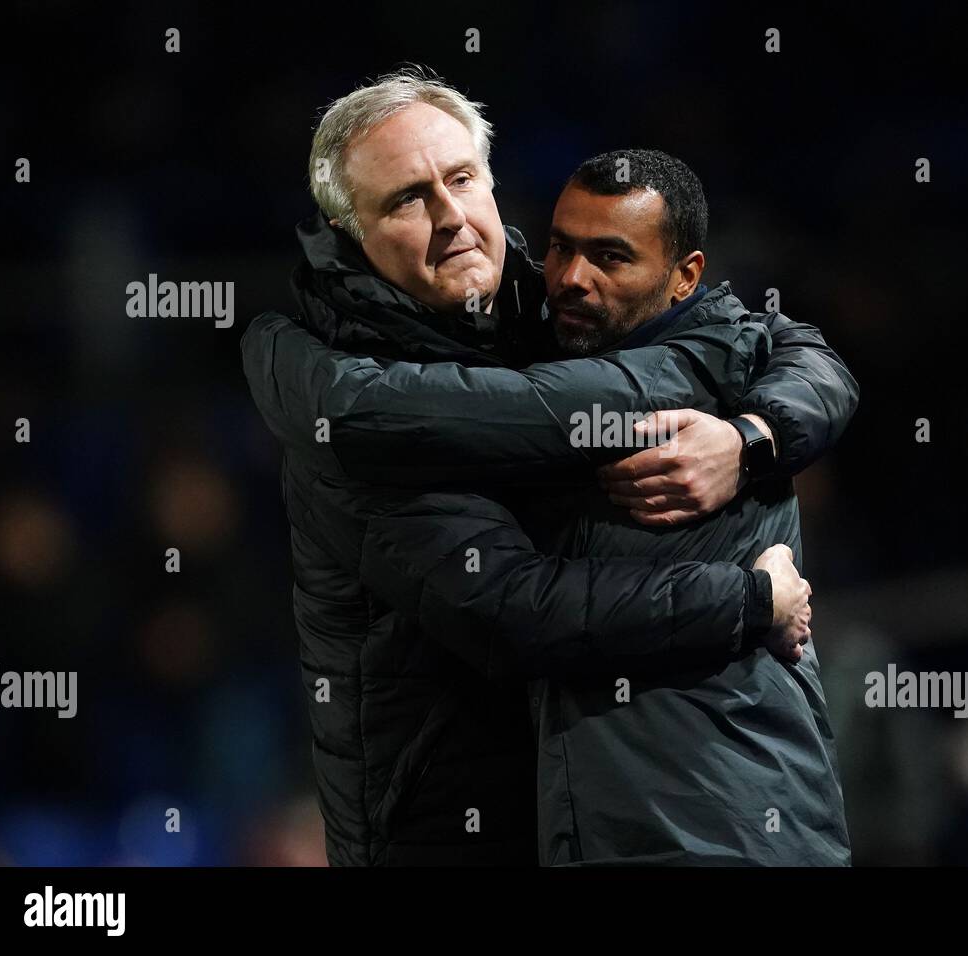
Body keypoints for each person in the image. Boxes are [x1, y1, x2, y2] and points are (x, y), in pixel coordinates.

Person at [241, 68, 858, 865]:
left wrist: (749, 439)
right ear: (351, 234)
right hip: (444, 833)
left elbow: (794, 348)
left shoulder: (556, 308)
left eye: (461, 179)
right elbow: (513, 609)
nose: (450, 217)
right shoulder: (349, 423)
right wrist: (747, 598)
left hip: (585, 818)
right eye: (405, 200)